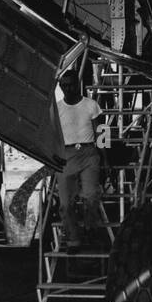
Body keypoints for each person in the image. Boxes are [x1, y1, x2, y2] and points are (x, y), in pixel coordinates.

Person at [54, 70, 105, 251]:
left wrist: (105, 159)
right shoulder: (57, 108)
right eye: (64, 85)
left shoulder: (91, 105)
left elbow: (102, 133)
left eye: (71, 84)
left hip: (89, 153)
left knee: (91, 196)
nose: (68, 88)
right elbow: (53, 136)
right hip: (66, 156)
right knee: (66, 204)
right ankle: (73, 240)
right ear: (61, 87)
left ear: (78, 83)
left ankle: (91, 231)